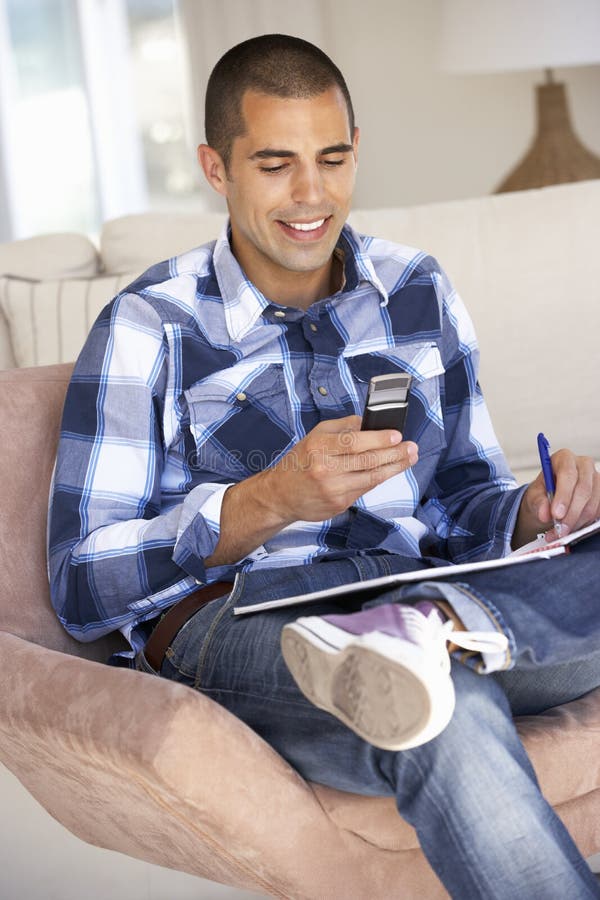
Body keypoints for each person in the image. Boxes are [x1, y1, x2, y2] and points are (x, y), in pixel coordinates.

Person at [48, 33, 600, 899]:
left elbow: (466, 495)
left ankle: (440, 628)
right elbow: (82, 587)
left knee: (444, 659)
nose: (312, 195)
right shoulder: (147, 327)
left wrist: (533, 510)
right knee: (441, 709)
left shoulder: (416, 288)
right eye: (275, 165)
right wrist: (268, 500)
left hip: (418, 586)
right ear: (216, 168)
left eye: (333, 158)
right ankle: (441, 640)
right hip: (248, 624)